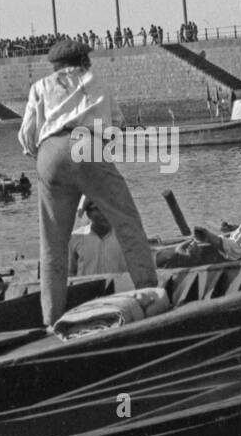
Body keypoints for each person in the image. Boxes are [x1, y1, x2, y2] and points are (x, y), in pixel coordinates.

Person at [20, 37, 158, 326]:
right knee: (127, 222)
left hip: (49, 153)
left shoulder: (40, 87)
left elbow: (27, 137)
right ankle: (149, 295)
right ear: (83, 61)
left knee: (52, 243)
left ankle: (51, 318)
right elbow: (117, 124)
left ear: (55, 65)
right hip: (87, 145)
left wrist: (45, 157)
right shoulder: (95, 80)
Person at [68, 196, 129, 276]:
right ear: (88, 214)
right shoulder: (75, 238)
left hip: (121, 288)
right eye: (98, 209)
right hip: (85, 288)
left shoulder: (125, 238)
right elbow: (70, 272)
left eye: (108, 209)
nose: (105, 213)